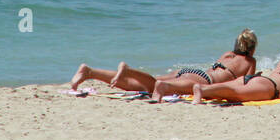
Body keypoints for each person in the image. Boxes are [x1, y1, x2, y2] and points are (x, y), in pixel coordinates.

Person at [67, 28, 259, 99]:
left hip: (191, 71)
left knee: (145, 84)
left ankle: (90, 72)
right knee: (156, 86)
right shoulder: (250, 61)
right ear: (252, 48)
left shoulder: (228, 54)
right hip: (204, 79)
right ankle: (128, 70)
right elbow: (246, 82)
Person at [191, 36, 280, 104]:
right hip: (269, 88)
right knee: (233, 93)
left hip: (259, 80)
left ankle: (202, 89)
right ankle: (202, 89)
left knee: (226, 89)